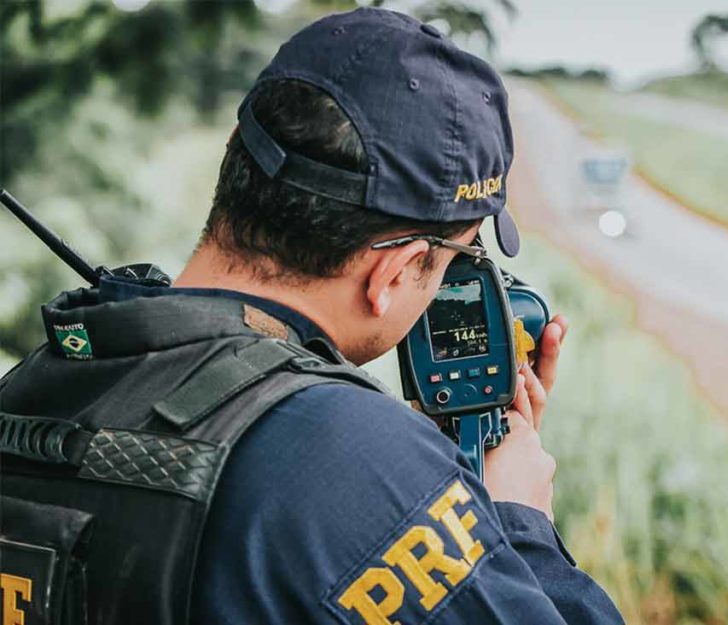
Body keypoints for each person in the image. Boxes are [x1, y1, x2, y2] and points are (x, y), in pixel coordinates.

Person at [0, 7, 623, 625]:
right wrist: (514, 522)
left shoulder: (43, 374)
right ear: (395, 272)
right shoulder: (354, 455)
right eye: (457, 260)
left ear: (238, 167)